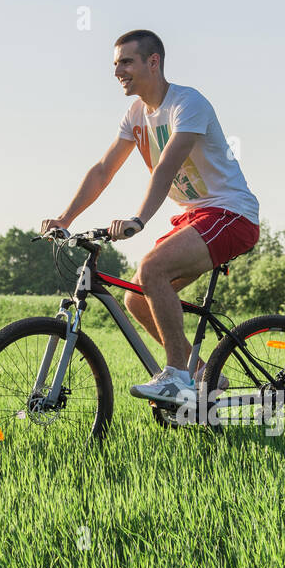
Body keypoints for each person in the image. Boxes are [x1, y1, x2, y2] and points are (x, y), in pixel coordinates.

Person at [39, 29, 260, 407]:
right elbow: (103, 170)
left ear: (153, 62)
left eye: (126, 62)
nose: (117, 72)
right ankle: (204, 374)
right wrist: (65, 217)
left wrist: (138, 220)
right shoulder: (135, 114)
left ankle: (177, 377)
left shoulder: (187, 104)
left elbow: (166, 166)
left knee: (152, 267)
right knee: (137, 299)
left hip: (230, 213)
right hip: (193, 218)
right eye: (115, 64)